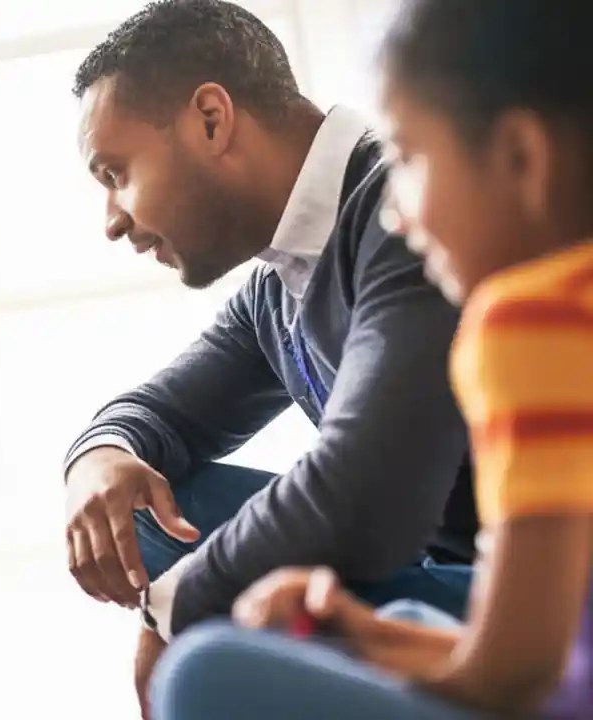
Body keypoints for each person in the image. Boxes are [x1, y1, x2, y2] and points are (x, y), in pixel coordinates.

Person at [149, 2, 593, 717]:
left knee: (202, 673)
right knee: (407, 624)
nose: (399, 212)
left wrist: (354, 645)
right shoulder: (270, 294)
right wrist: (369, 635)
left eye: (412, 161)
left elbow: (515, 676)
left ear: (521, 157)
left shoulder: (533, 323)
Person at [60, 0, 479, 711]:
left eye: (116, 173)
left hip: (523, 589)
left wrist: (177, 603)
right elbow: (152, 414)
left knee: (206, 666)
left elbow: (365, 493)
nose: (112, 221)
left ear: (212, 120)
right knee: (139, 508)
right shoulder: (274, 291)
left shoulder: (409, 208)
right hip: (425, 579)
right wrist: (95, 456)